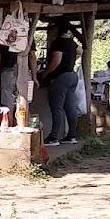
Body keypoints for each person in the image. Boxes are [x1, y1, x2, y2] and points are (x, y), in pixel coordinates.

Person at [41, 18, 81, 146]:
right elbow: (80, 51)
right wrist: (71, 60)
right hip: (71, 75)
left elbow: (57, 60)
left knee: (57, 108)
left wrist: (46, 73)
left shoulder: (58, 42)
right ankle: (71, 135)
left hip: (60, 77)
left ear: (56, 29)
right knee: (70, 107)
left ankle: (53, 137)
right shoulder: (72, 42)